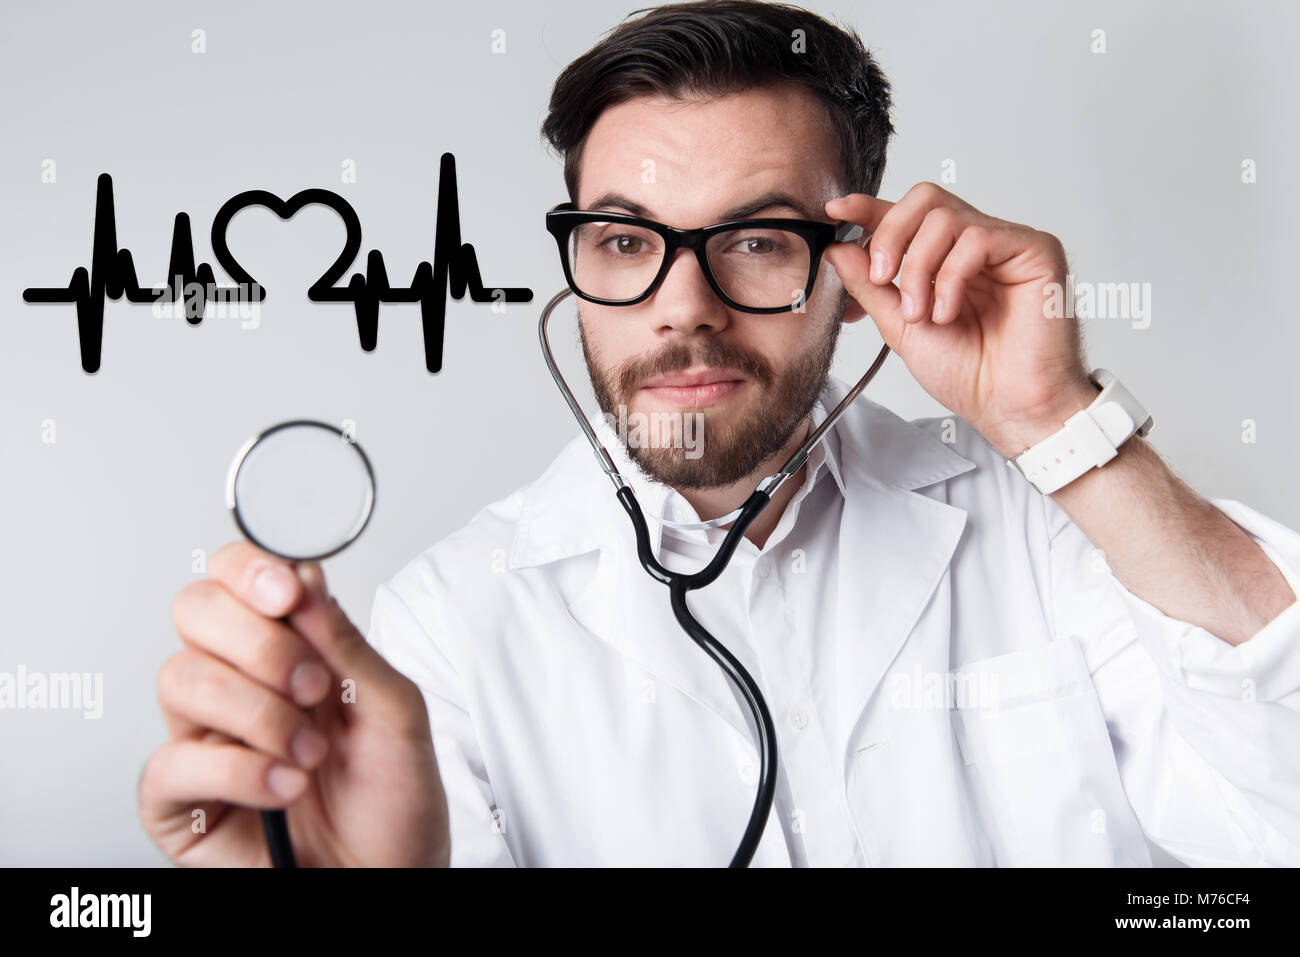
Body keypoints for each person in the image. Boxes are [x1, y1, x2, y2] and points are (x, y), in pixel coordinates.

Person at [138, 0, 1300, 867]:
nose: (681, 306)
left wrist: (1056, 422)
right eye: (624, 240)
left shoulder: (1043, 527)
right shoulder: (449, 628)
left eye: (753, 240)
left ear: (855, 269)